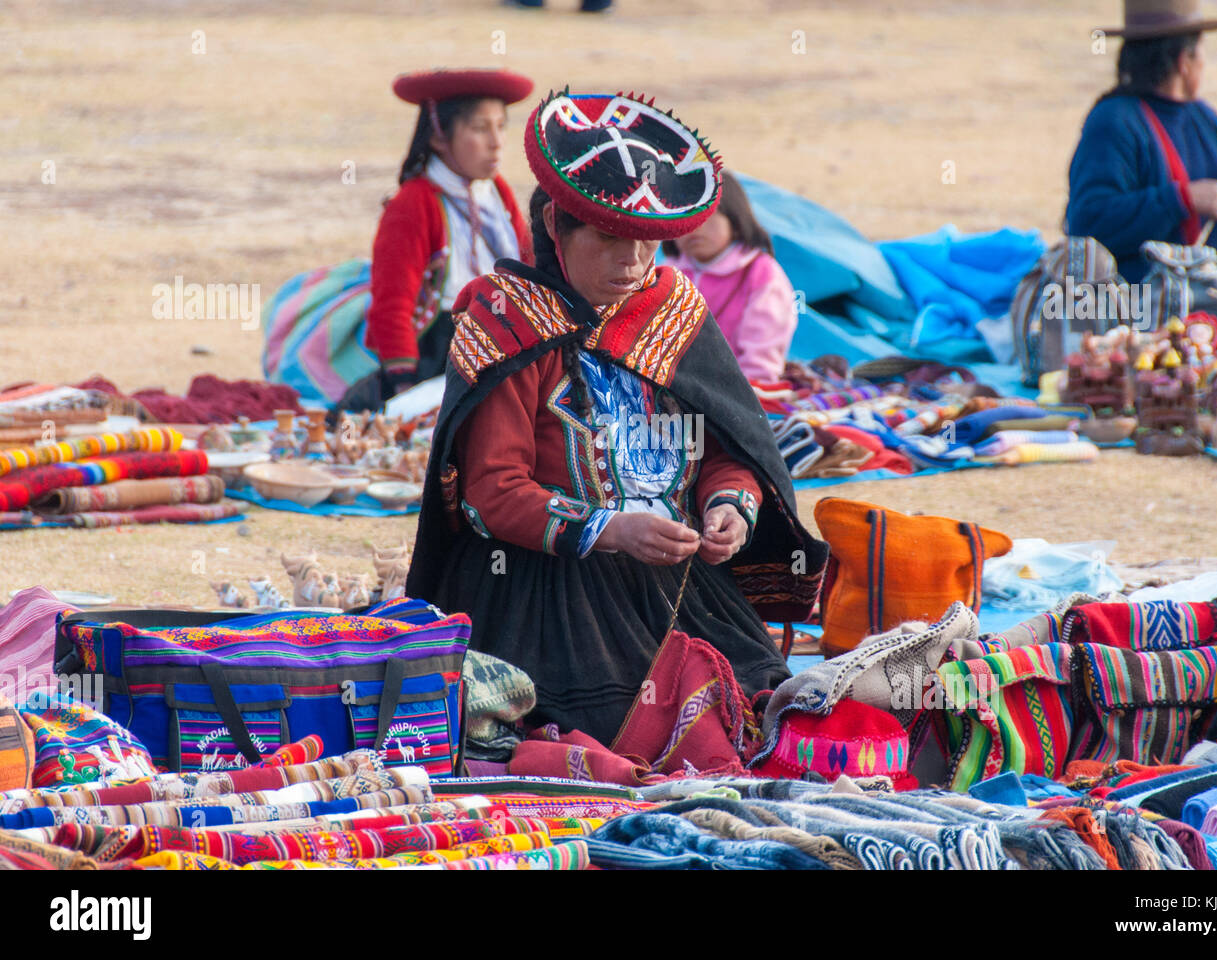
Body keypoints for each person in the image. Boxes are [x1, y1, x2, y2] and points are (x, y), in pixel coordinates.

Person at [405, 91, 827, 746]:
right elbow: (490, 494)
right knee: (616, 731)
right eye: (608, 240)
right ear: (557, 228)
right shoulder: (508, 320)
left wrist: (729, 508)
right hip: (543, 590)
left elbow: (726, 447)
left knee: (765, 710)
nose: (632, 264)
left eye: (650, 245)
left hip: (677, 584)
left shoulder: (671, 311)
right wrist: (610, 528)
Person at [262, 68, 534, 410]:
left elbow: (528, 267)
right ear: (438, 137)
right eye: (480, 128)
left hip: (498, 339)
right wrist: (403, 381)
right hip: (439, 352)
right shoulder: (414, 203)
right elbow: (393, 301)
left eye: (500, 126)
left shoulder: (495, 192)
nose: (497, 141)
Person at [1065, 0, 1217, 285]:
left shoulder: (1204, 118)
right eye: (1200, 52)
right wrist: (1182, 200)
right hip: (1140, 306)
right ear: (1183, 63)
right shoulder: (1113, 122)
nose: (1203, 62)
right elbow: (1088, 224)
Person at [661, 172, 798, 382]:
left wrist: (748, 395)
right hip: (675, 386)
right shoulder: (666, 273)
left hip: (739, 388)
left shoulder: (761, 274)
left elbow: (761, 355)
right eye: (684, 217)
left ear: (735, 219)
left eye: (705, 216)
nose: (695, 227)